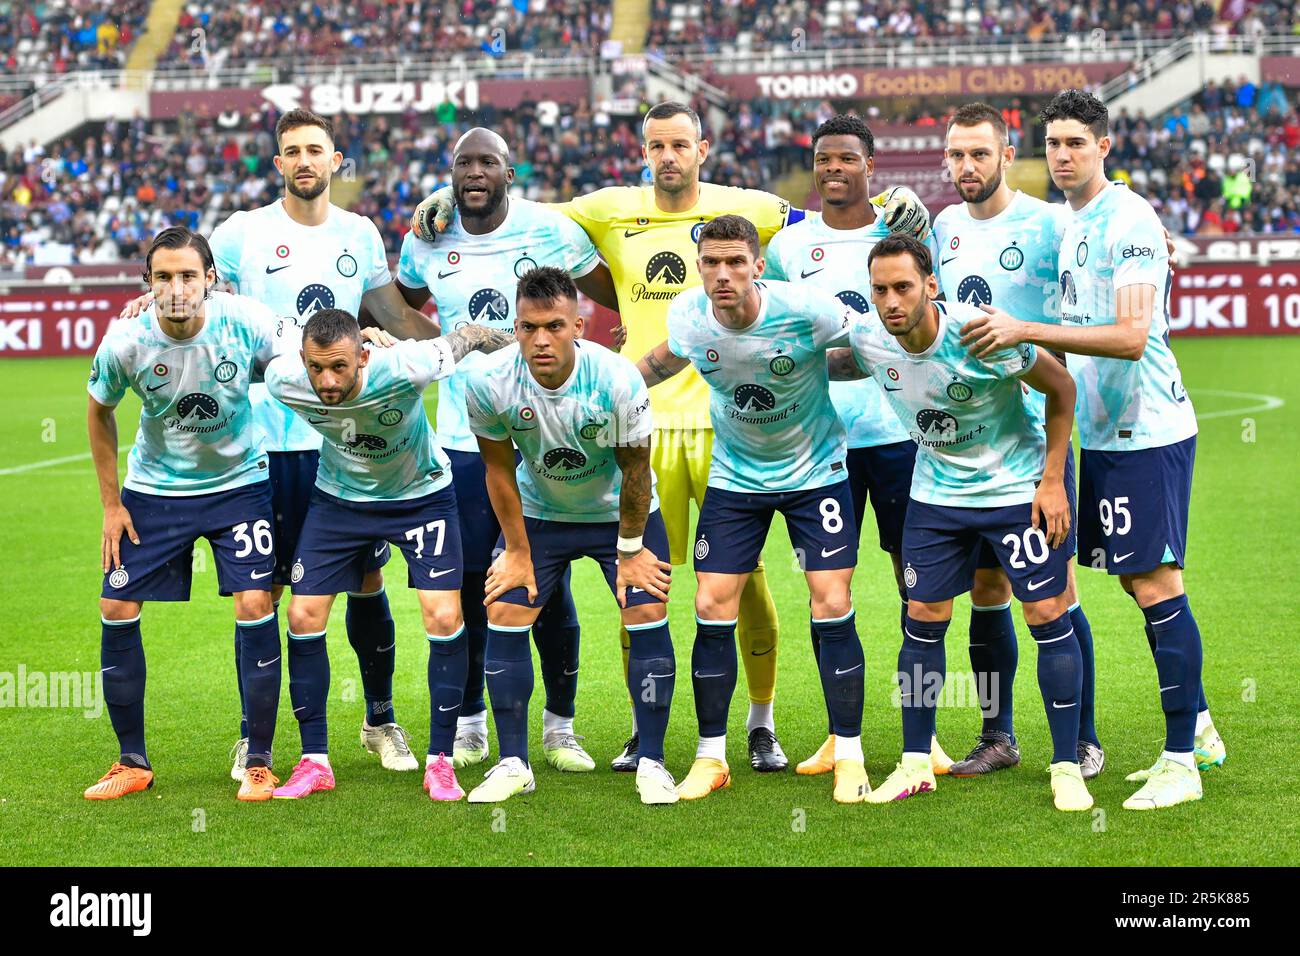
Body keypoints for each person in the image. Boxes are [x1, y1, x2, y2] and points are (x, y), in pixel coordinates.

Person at [409, 100, 933, 774]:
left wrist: (896, 195)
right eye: (657, 145)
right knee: (641, 585)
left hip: (726, 427)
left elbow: (839, 209)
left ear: (703, 148)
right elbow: (508, 206)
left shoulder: (751, 208)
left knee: (745, 588)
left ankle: (761, 723)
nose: (668, 156)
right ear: (644, 150)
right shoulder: (605, 209)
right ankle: (641, 728)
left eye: (680, 144)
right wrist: (445, 195)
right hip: (641, 424)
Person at [118, 108, 439, 779]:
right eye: (290, 151)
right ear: (278, 164)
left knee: (365, 577)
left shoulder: (359, 233)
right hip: (265, 437)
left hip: (342, 440)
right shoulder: (241, 233)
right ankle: (253, 737)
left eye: (314, 150)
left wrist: (451, 339)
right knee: (259, 590)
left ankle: (379, 718)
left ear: (335, 161)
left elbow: (390, 315)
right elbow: (191, 283)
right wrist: (140, 305)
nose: (303, 161)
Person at [960, 90, 1223, 810]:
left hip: (1148, 430)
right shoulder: (1072, 222)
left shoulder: (1127, 216)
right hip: (1103, 435)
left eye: (1078, 142)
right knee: (1132, 582)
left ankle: (1182, 761)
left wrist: (1024, 331)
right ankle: (1193, 730)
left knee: (1155, 584)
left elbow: (1133, 337)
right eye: (1055, 144)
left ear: (1104, 147)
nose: (1065, 155)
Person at [829, 234, 1091, 812]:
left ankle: (1067, 764)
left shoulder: (981, 335)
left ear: (932, 287)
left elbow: (1062, 387)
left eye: (903, 287)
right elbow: (822, 363)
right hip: (936, 496)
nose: (891, 301)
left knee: (1047, 613)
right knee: (921, 619)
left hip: (1013, 489)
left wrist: (1052, 480)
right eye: (879, 290)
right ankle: (915, 762)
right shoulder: (871, 339)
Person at [395, 127, 621, 774]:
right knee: (471, 582)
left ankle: (560, 727)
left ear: (510, 171)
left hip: (545, 435)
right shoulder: (428, 235)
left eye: (487, 162)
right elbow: (401, 304)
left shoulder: (549, 228)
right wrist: (444, 351)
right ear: (451, 173)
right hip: (463, 441)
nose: (475, 172)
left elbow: (611, 289)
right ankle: (469, 722)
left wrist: (635, 322)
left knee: (547, 583)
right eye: (463, 162)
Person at [638, 216, 870, 805]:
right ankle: (711, 756)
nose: (722, 274)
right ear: (698, 268)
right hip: (736, 480)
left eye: (735, 262)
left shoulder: (808, 310)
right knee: (711, 603)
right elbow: (665, 362)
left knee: (832, 599)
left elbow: (872, 345)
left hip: (816, 474)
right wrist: (602, 382)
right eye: (711, 262)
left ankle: (849, 752)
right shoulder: (688, 316)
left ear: (757, 266)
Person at [763, 113, 951, 778]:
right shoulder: (790, 248)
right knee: (827, 590)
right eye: (823, 159)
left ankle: (921, 735)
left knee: (918, 589)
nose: (832, 169)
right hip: (820, 446)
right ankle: (841, 738)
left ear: (871, 165)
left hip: (902, 435)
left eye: (846, 158)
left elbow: (939, 316)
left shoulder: (902, 234)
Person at [263, 308, 513, 801]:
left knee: (444, 615)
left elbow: (472, 335)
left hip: (421, 496)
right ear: (301, 361)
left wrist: (525, 348)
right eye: (316, 368)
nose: (327, 381)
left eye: (339, 367)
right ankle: (314, 760)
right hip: (339, 500)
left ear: (364, 355)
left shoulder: (407, 365)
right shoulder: (282, 379)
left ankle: (440, 762)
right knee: (302, 613)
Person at [929, 101, 1104, 779]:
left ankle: (1084, 739)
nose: (966, 166)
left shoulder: (1051, 222)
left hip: (1038, 444)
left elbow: (1110, 246)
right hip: (969, 445)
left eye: (979, 153)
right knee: (986, 591)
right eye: (956, 155)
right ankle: (996, 735)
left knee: (1054, 596)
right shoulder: (943, 226)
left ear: (1007, 155)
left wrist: (1055, 472)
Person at [465, 267, 678, 805]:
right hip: (541, 515)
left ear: (578, 325)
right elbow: (498, 471)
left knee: (646, 609)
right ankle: (514, 762)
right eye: (528, 327)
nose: (541, 340)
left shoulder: (616, 380)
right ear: (515, 327)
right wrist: (515, 550)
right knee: (505, 609)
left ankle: (652, 761)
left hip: (618, 516)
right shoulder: (489, 381)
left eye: (554, 326)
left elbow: (637, 471)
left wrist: (630, 552)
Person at [85, 227, 283, 802]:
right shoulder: (125, 341)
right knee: (115, 603)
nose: (177, 288)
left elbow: (300, 367)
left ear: (210, 280)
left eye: (188, 276)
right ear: (147, 284)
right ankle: (131, 762)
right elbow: (99, 412)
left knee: (255, 601)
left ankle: (260, 761)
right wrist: (110, 505)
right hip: (154, 491)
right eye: (164, 277)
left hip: (240, 485)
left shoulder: (244, 321)